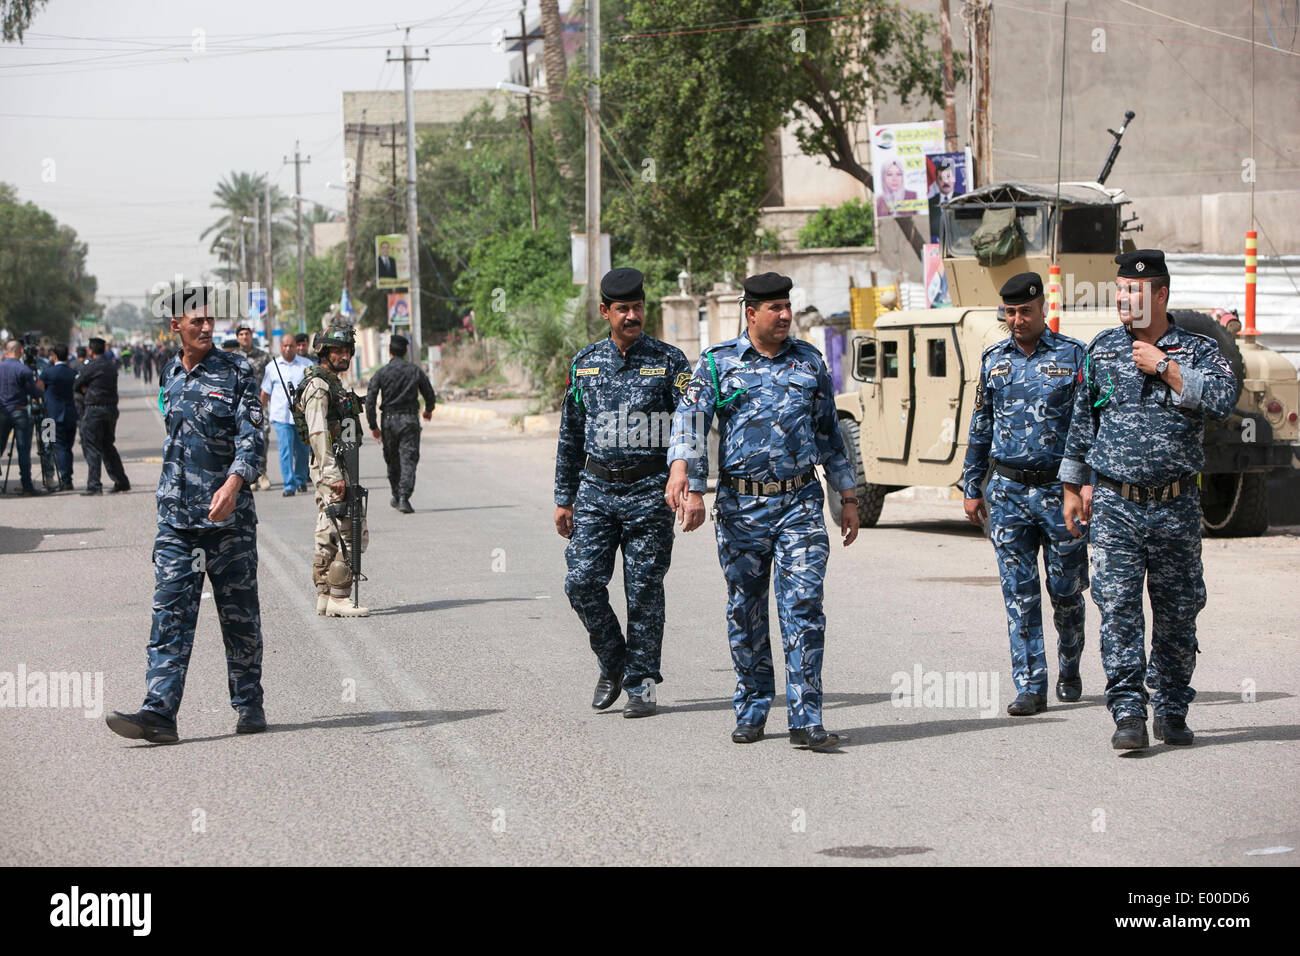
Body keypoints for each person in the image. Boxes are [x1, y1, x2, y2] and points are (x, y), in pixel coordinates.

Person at [666, 272, 859, 749]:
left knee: (804, 606)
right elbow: (690, 423)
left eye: (787, 306)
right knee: (746, 610)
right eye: (774, 308)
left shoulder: (810, 362)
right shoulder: (716, 363)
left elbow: (830, 434)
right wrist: (688, 483)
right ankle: (753, 706)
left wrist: (848, 496)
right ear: (750, 313)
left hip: (799, 503)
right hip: (741, 507)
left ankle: (806, 717)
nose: (786, 315)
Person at [1061, 249, 1238, 751]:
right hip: (1116, 505)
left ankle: (1173, 708)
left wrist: (1167, 368)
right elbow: (1082, 424)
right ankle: (1128, 712)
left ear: (1160, 295)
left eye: (1133, 292)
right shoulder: (1101, 351)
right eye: (1118, 290)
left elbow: (1223, 401)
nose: (1123, 299)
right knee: (1117, 607)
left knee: (1178, 611)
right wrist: (1074, 487)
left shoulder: (1198, 349)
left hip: (1176, 505)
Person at [105, 285, 266, 744]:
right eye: (197, 321)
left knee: (240, 618)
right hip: (177, 522)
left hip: (228, 524)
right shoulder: (170, 371)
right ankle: (159, 713)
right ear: (175, 325)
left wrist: (233, 484)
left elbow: (252, 438)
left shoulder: (236, 369)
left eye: (210, 320)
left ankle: (249, 702)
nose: (207, 327)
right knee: (169, 616)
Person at [554, 268, 691, 718]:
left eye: (638, 307)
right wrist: (563, 496)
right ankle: (613, 660)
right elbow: (570, 434)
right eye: (623, 309)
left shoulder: (670, 362)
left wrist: (688, 482)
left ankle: (642, 683)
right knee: (581, 583)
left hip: (650, 492)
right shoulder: (585, 363)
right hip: (595, 492)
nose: (633, 316)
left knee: (644, 590)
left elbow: (690, 428)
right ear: (605, 312)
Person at [961, 273, 1089, 716]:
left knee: (1065, 589)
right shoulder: (994, 360)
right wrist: (971, 485)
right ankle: (1031, 685)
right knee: (1019, 591)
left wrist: (1085, 483)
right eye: (1010, 313)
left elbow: (1086, 428)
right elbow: (980, 426)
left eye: (1024, 312)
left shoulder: (1074, 356)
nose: (1016, 320)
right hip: (1009, 491)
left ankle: (1070, 661)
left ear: (1042, 310)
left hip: (1060, 491)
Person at [297, 325, 370, 618]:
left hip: (340, 463)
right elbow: (317, 434)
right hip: (333, 466)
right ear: (324, 353)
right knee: (353, 533)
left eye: (346, 351)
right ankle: (340, 596)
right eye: (336, 351)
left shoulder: (332, 384)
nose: (343, 356)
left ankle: (325, 595)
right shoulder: (319, 387)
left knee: (328, 531)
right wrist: (332, 475)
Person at [366, 334, 436, 514]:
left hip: (389, 421)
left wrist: (373, 426)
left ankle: (397, 494)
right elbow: (429, 393)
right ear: (405, 351)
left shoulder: (381, 373)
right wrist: (428, 410)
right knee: (409, 459)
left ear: (389, 351)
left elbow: (370, 400)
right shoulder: (414, 371)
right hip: (409, 420)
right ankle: (403, 496)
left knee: (392, 460)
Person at [74, 337, 130, 496]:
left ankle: (94, 484)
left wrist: (85, 389)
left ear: (90, 350)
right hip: (111, 409)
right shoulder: (111, 366)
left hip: (94, 409)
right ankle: (121, 481)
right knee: (108, 446)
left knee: (91, 446)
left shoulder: (91, 366)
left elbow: (77, 385)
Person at [259, 333, 313, 496]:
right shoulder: (272, 367)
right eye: (285, 346)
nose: (288, 349)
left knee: (303, 451)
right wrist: (259, 413)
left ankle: (301, 479)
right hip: (281, 416)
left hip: (301, 416)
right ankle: (289, 485)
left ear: (296, 346)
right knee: (285, 451)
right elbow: (265, 392)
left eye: (291, 345)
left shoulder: (306, 365)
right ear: (280, 347)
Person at [0, 338, 45, 495]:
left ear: (6, 351)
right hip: (19, 412)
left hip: (2, 412)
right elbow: (33, 393)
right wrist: (40, 388)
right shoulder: (23, 370)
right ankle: (26, 485)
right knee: (23, 449)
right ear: (20, 352)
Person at [236, 325, 273, 492]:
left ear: (251, 336)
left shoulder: (263, 357)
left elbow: (270, 380)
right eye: (241, 334)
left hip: (260, 403)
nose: (244, 337)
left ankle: (262, 473)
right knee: (243, 440)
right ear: (238, 337)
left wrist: (264, 400)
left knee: (262, 437)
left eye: (247, 334)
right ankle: (248, 475)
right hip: (239, 405)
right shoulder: (232, 357)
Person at [38, 344, 79, 491]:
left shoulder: (48, 372)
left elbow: (38, 388)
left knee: (54, 447)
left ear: (54, 356)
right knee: (67, 447)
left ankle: (62, 479)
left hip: (50, 416)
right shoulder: (72, 372)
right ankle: (67, 477)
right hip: (70, 414)